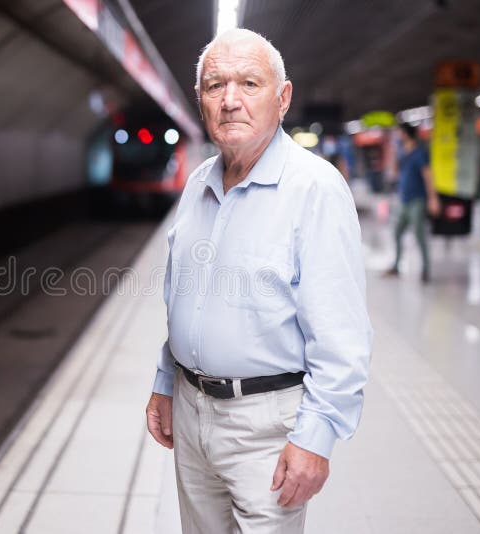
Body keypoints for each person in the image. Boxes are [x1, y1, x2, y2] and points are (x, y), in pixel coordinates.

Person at [145, 29, 373, 534]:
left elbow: (342, 335)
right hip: (191, 413)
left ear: (283, 97)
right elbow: (182, 296)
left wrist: (315, 437)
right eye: (214, 85)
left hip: (267, 428)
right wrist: (167, 382)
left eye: (249, 83)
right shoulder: (198, 183)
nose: (230, 100)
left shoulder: (313, 188)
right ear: (199, 98)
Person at [383, 123, 440, 283]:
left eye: (399, 132)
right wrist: (392, 155)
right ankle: (396, 266)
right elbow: (394, 174)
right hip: (404, 200)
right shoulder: (401, 152)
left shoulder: (420, 153)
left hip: (417, 200)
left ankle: (425, 270)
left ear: (406, 134)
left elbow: (427, 175)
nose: (397, 136)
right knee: (397, 232)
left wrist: (432, 198)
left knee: (419, 236)